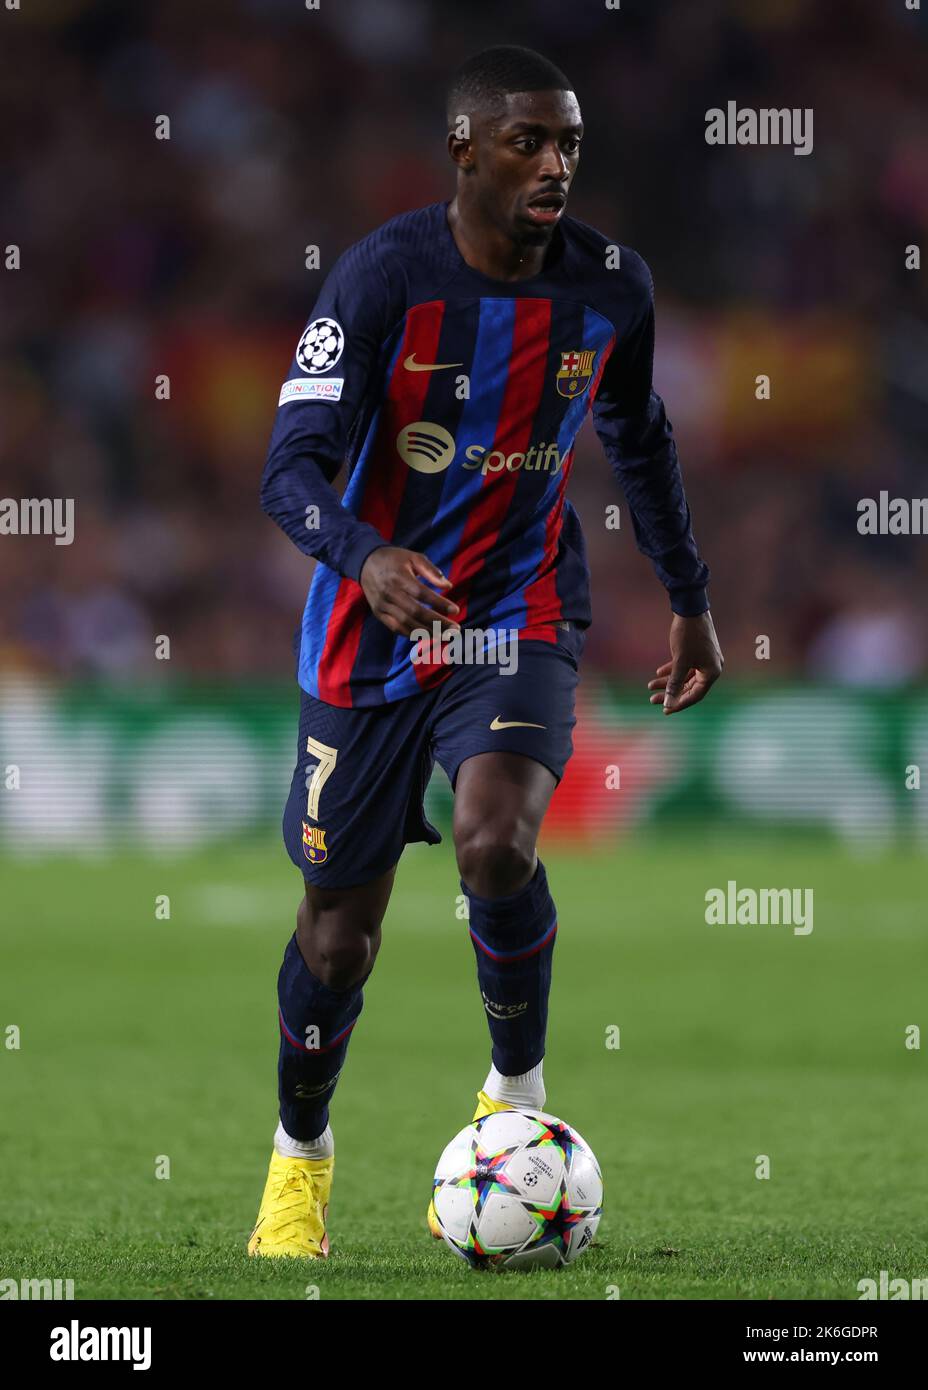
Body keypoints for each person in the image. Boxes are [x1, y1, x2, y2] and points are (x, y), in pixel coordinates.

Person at [250, 44, 722, 1257]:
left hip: (515, 610)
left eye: (568, 142)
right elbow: (285, 470)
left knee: (496, 838)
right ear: (465, 150)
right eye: (528, 141)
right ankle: (300, 1157)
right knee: (335, 940)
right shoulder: (379, 282)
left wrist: (687, 595)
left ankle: (515, 1099)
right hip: (368, 631)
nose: (555, 163)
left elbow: (642, 437)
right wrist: (365, 557)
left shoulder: (612, 287)